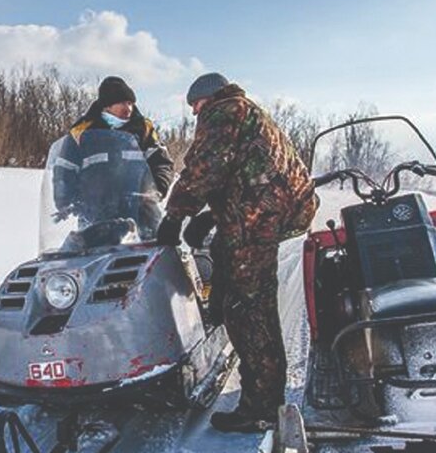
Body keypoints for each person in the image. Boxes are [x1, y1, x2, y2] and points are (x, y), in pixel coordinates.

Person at [155, 72, 318, 433]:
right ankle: (262, 394)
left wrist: (176, 214)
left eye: (195, 107)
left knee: (249, 307)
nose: (195, 115)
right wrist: (210, 217)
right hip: (266, 212)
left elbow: (206, 167)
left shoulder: (225, 111)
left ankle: (260, 407)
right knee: (236, 288)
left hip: (257, 219)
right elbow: (244, 172)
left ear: (206, 99)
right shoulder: (249, 112)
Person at [52, 76, 175, 237]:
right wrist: (65, 200)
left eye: (131, 103)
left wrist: (157, 188)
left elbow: (161, 161)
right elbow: (65, 168)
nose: (128, 108)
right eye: (123, 103)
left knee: (154, 251)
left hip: (141, 209)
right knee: (92, 256)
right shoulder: (81, 131)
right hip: (96, 213)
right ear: (107, 105)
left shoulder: (143, 128)